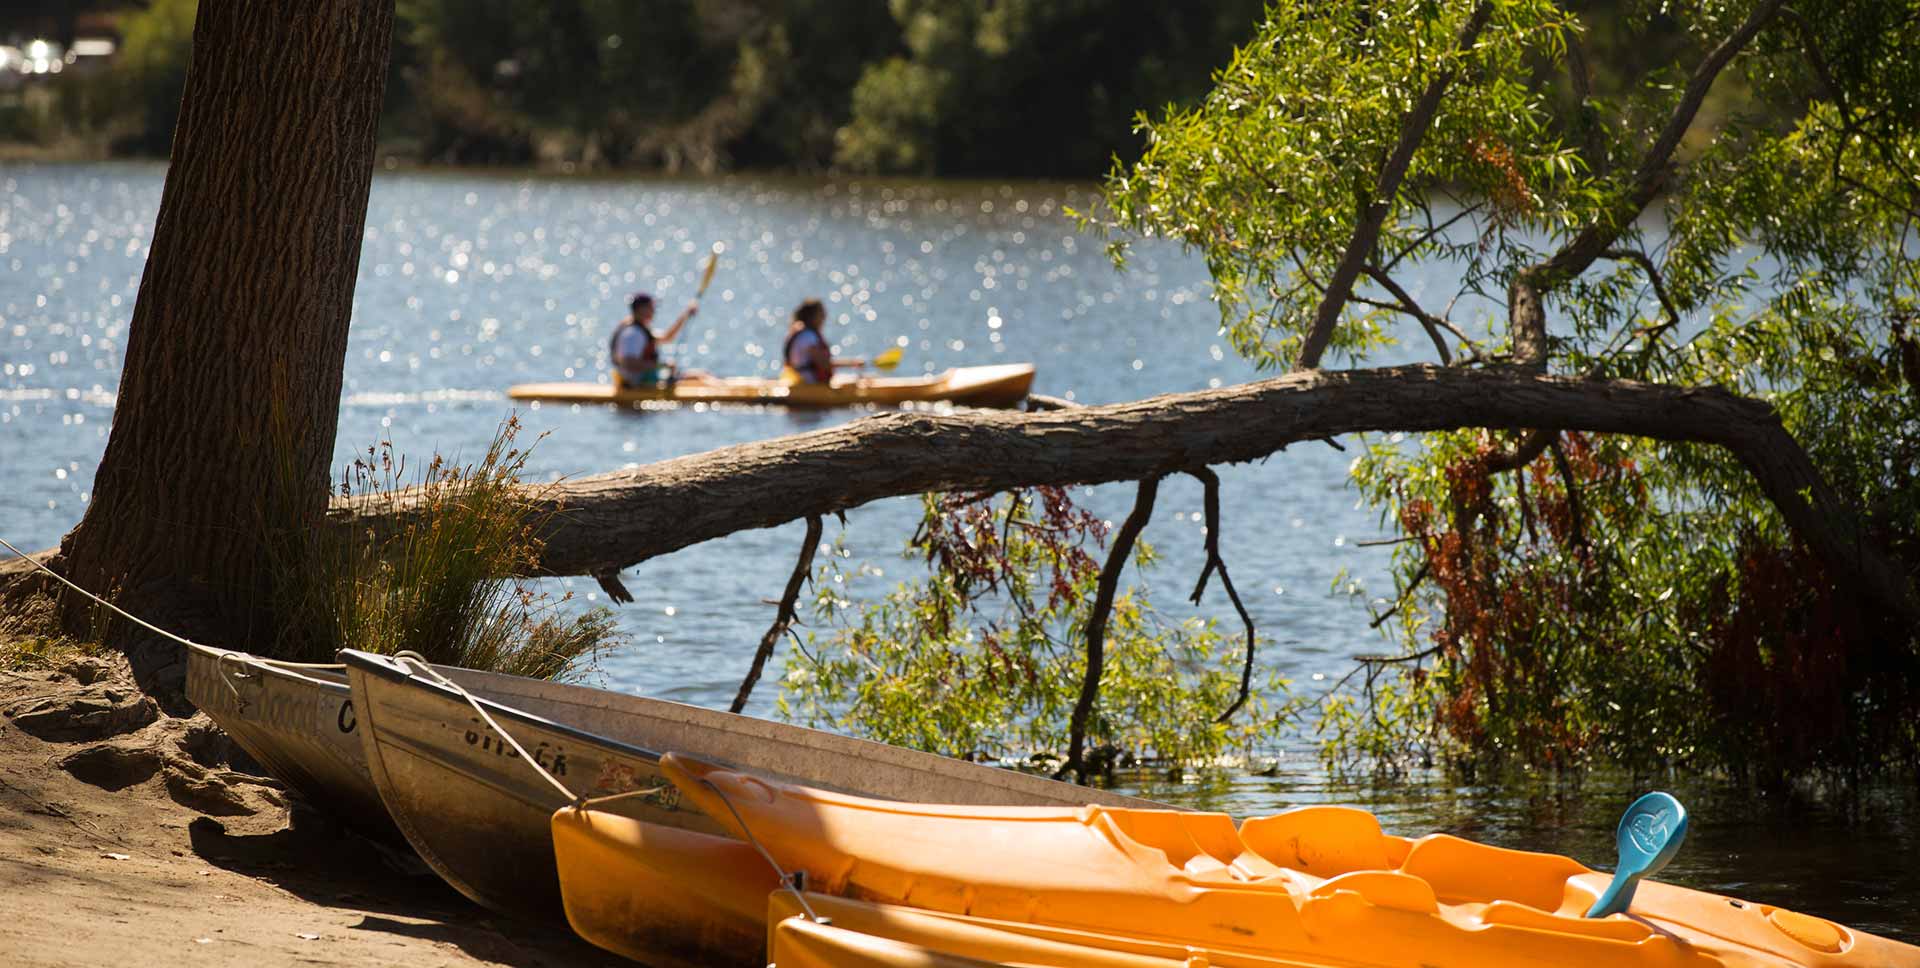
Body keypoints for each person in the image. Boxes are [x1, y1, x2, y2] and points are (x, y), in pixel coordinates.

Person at [608, 292, 700, 388]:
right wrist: (662, 365)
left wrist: (686, 314)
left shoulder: (639, 329)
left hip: (645, 380)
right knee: (697, 378)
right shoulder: (633, 334)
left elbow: (667, 337)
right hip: (639, 384)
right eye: (651, 307)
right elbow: (628, 363)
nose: (654, 310)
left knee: (699, 375)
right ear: (641, 309)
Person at [781, 298, 868, 384]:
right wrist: (852, 363)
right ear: (812, 316)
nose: (824, 317)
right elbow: (824, 363)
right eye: (821, 314)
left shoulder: (803, 334)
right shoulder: (808, 337)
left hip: (800, 380)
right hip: (808, 383)